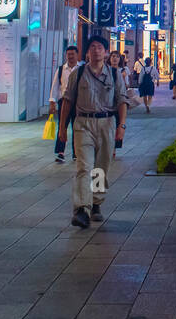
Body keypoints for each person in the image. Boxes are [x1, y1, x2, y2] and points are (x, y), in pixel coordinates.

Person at [59, 37, 127, 229]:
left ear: (106, 52)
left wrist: (122, 126)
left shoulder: (114, 75)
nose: (96, 51)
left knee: (100, 168)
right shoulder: (78, 73)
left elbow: (122, 101)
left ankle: (96, 202)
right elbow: (67, 101)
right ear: (87, 52)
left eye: (100, 48)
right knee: (84, 167)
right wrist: (62, 128)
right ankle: (82, 209)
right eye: (92, 47)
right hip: (83, 124)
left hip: (106, 123)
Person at [48, 45, 82, 163]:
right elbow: (55, 86)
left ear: (77, 55)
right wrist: (52, 101)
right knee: (62, 126)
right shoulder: (61, 69)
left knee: (76, 127)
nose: (70, 56)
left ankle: (76, 153)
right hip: (63, 101)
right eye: (68, 54)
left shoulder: (82, 69)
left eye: (72, 54)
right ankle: (60, 152)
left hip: (78, 102)